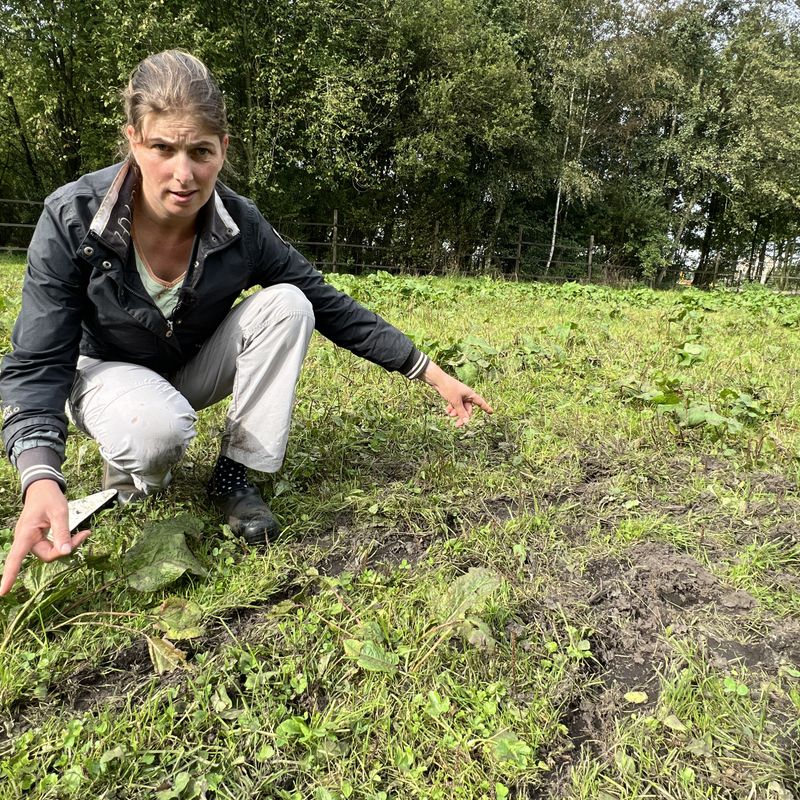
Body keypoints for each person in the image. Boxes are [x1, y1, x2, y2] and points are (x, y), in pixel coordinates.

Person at [0, 50, 492, 596]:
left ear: (223, 150)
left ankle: (235, 475)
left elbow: (326, 303)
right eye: (162, 148)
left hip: (184, 366)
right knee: (155, 433)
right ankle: (133, 460)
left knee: (289, 303)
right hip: (102, 369)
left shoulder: (241, 224)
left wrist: (430, 372)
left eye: (200, 152)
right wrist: (40, 473)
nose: (182, 174)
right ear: (134, 140)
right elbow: (38, 358)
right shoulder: (72, 217)